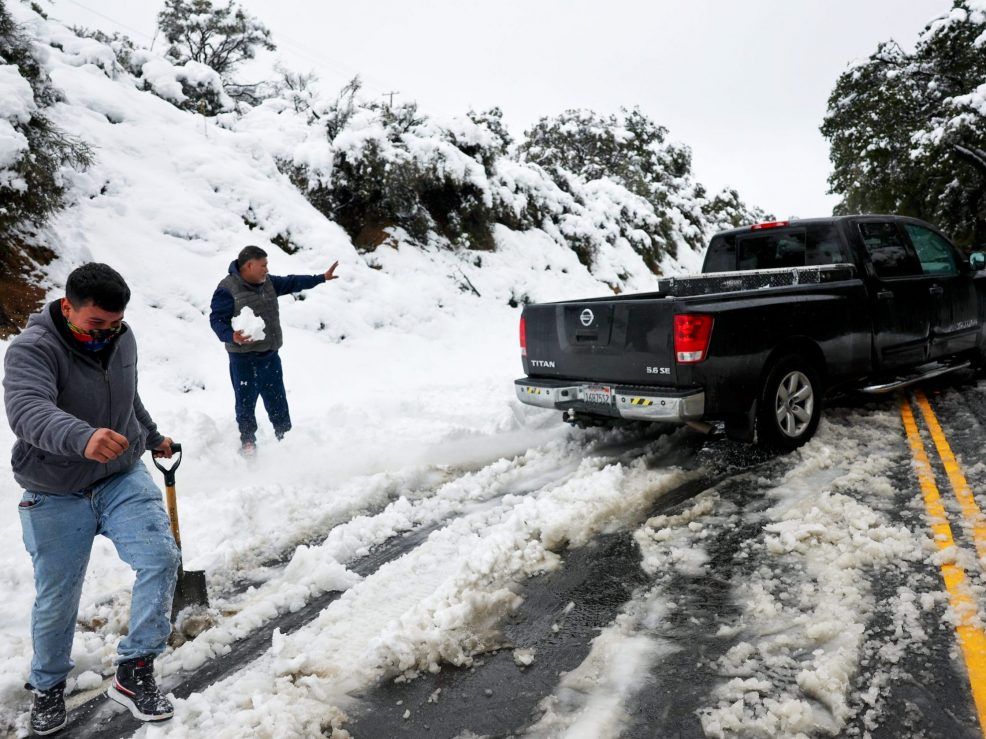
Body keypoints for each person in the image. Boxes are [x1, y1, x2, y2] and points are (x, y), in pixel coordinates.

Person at [3, 263, 181, 735]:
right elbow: (27, 410)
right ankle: (48, 686)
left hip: (120, 475)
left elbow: (127, 397)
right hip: (55, 487)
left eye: (115, 323)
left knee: (161, 558)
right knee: (58, 597)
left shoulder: (123, 338)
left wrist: (152, 436)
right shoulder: (32, 350)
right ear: (67, 307)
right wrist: (82, 437)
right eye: (96, 323)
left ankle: (135, 669)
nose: (105, 333)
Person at [209, 245, 340, 455]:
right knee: (245, 404)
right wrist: (231, 335)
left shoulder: (267, 283)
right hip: (243, 359)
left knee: (278, 401)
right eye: (263, 265)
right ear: (249, 265)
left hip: (269, 356)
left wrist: (321, 278)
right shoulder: (227, 289)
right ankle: (248, 443)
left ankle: (286, 439)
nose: (267, 269)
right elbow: (216, 319)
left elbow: (292, 281)